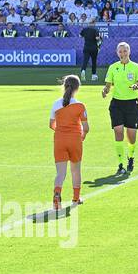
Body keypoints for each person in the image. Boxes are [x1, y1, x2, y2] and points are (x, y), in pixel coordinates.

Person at [101, 41, 138, 176]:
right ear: (117, 53)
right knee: (118, 132)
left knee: (131, 136)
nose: (122, 53)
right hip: (116, 104)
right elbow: (108, 85)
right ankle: (120, 164)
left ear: (129, 52)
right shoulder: (113, 67)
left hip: (132, 104)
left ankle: (130, 157)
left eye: (125, 51)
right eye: (120, 51)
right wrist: (105, 90)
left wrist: (137, 86)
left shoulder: (136, 67)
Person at [49, 74, 89, 211]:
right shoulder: (80, 105)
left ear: (64, 86)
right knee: (75, 170)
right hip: (75, 140)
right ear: (77, 88)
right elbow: (86, 128)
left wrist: (61, 131)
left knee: (60, 173)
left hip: (59, 139)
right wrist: (82, 136)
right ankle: (76, 198)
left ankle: (57, 194)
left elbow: (51, 124)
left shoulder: (56, 104)